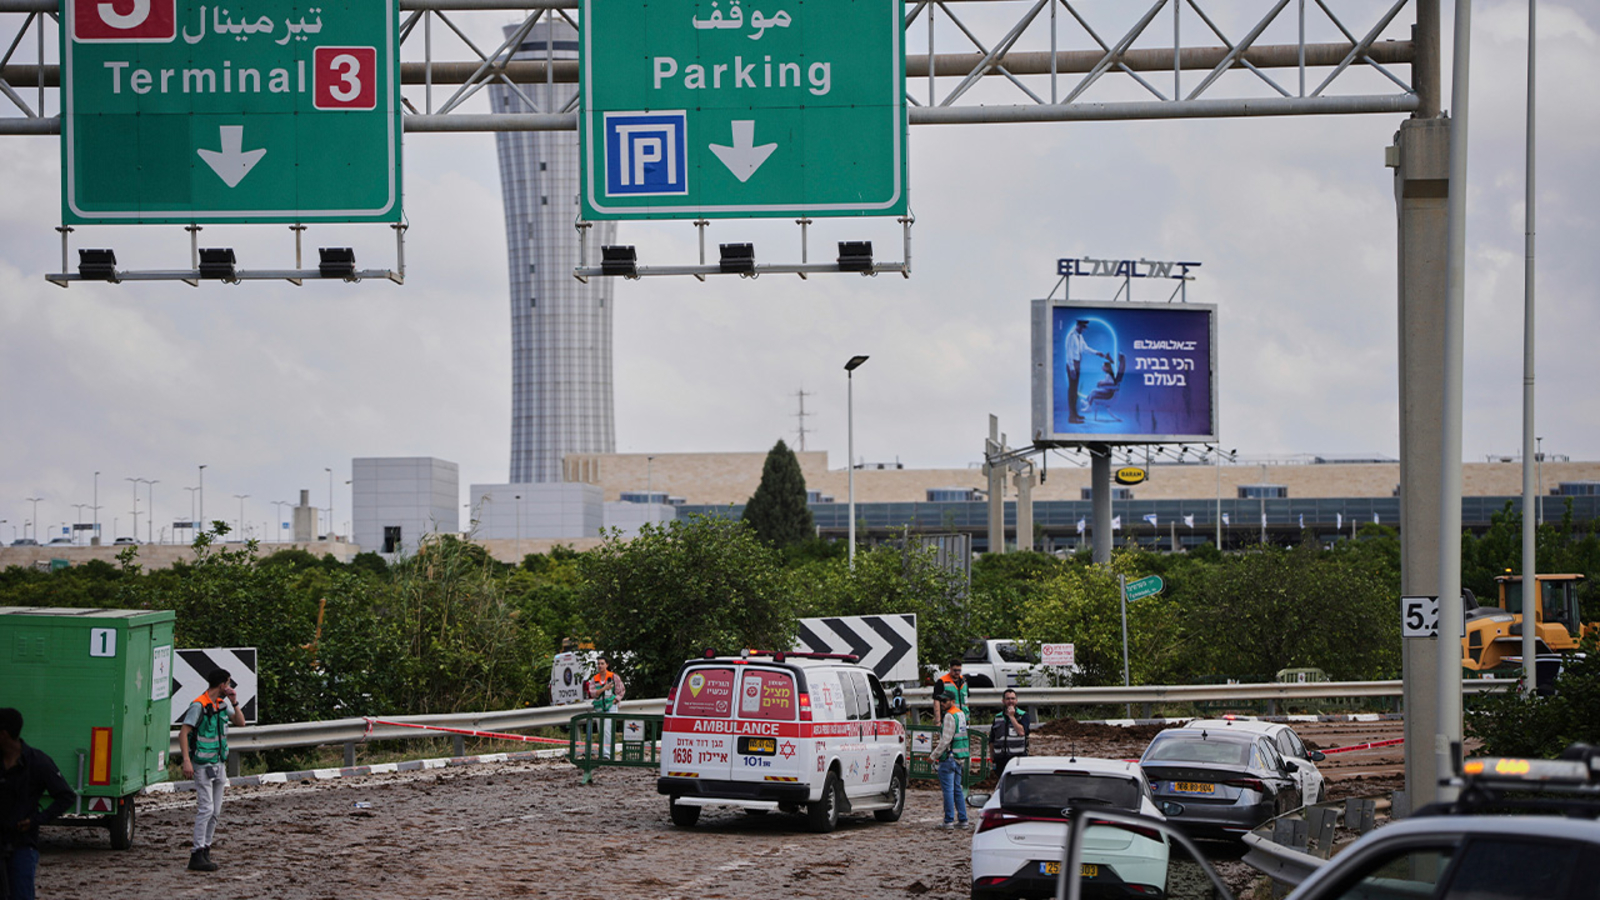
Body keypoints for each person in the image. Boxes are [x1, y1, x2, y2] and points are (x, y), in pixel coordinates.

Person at [0, 708, 75, 900]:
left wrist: (36, 820)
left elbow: (66, 796)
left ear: (4, 734)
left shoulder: (37, 762)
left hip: (22, 844)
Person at [178, 668, 245, 873]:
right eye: (229, 683)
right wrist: (186, 761)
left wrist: (234, 701)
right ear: (222, 685)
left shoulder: (222, 705)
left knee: (215, 811)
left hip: (218, 763)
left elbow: (240, 722)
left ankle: (206, 848)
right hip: (202, 764)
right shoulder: (199, 705)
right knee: (205, 809)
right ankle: (196, 853)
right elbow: (183, 732)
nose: (230, 687)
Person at [929, 693, 969, 829]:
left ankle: (948, 821)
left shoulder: (949, 716)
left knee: (948, 790)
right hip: (959, 757)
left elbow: (945, 740)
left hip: (949, 757)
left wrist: (933, 756)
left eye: (944, 701)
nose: (942, 704)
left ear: (952, 701)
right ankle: (963, 819)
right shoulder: (960, 714)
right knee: (957, 789)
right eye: (940, 701)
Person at [1064, 318, 1110, 425]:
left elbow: (1085, 348)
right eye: (1083, 327)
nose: (1084, 330)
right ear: (1078, 325)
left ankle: (1075, 414)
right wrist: (1071, 368)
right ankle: (1072, 417)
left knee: (1075, 392)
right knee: (1072, 392)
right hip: (1073, 364)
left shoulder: (1080, 337)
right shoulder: (1071, 336)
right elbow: (1069, 354)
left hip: (1078, 363)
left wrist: (1097, 353)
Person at [586, 658, 626, 760]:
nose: (600, 665)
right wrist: (603, 688)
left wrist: (615, 701)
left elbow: (621, 690)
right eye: (598, 663)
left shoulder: (613, 677)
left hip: (611, 707)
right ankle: (604, 752)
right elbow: (592, 693)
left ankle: (607, 754)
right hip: (599, 707)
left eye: (602, 663)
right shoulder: (594, 679)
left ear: (607, 665)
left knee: (608, 729)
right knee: (602, 730)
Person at [988, 688, 1032, 779]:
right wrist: (992, 756)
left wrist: (1011, 716)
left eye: (1013, 698)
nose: (1010, 701)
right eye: (1008, 699)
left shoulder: (1023, 715)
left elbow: (1022, 732)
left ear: (1016, 701)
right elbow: (992, 738)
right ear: (1003, 701)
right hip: (1000, 759)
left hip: (1017, 759)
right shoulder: (998, 717)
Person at [932, 660, 969, 727]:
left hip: (962, 718)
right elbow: (936, 701)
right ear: (950, 669)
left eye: (959, 670)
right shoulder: (942, 681)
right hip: (949, 718)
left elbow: (966, 701)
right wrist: (938, 721)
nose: (957, 673)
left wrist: (968, 718)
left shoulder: (964, 681)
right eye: (955, 670)